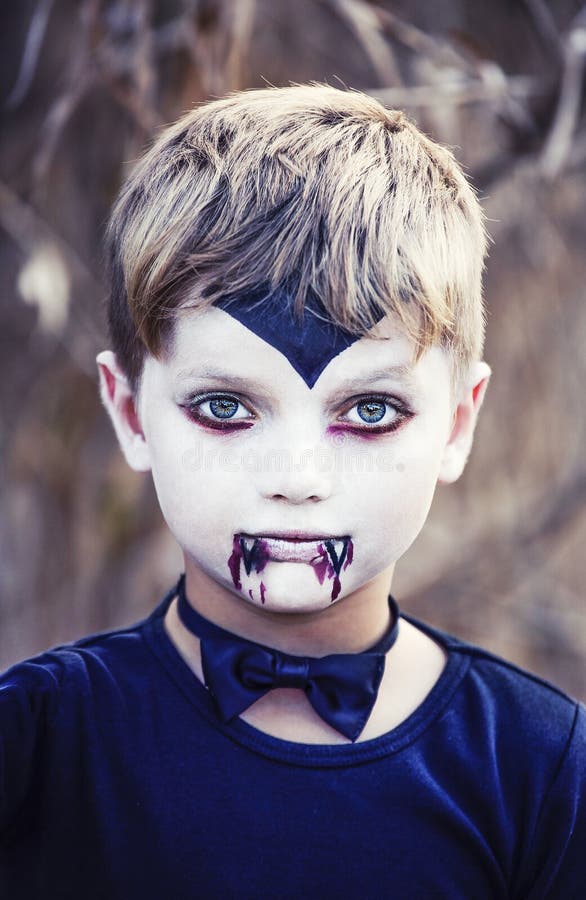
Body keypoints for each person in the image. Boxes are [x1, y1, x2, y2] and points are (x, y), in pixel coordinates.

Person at [1, 84, 584, 899]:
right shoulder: (35, 742)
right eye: (226, 408)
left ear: (455, 425)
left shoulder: (543, 768)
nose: (297, 480)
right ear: (132, 414)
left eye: (370, 410)